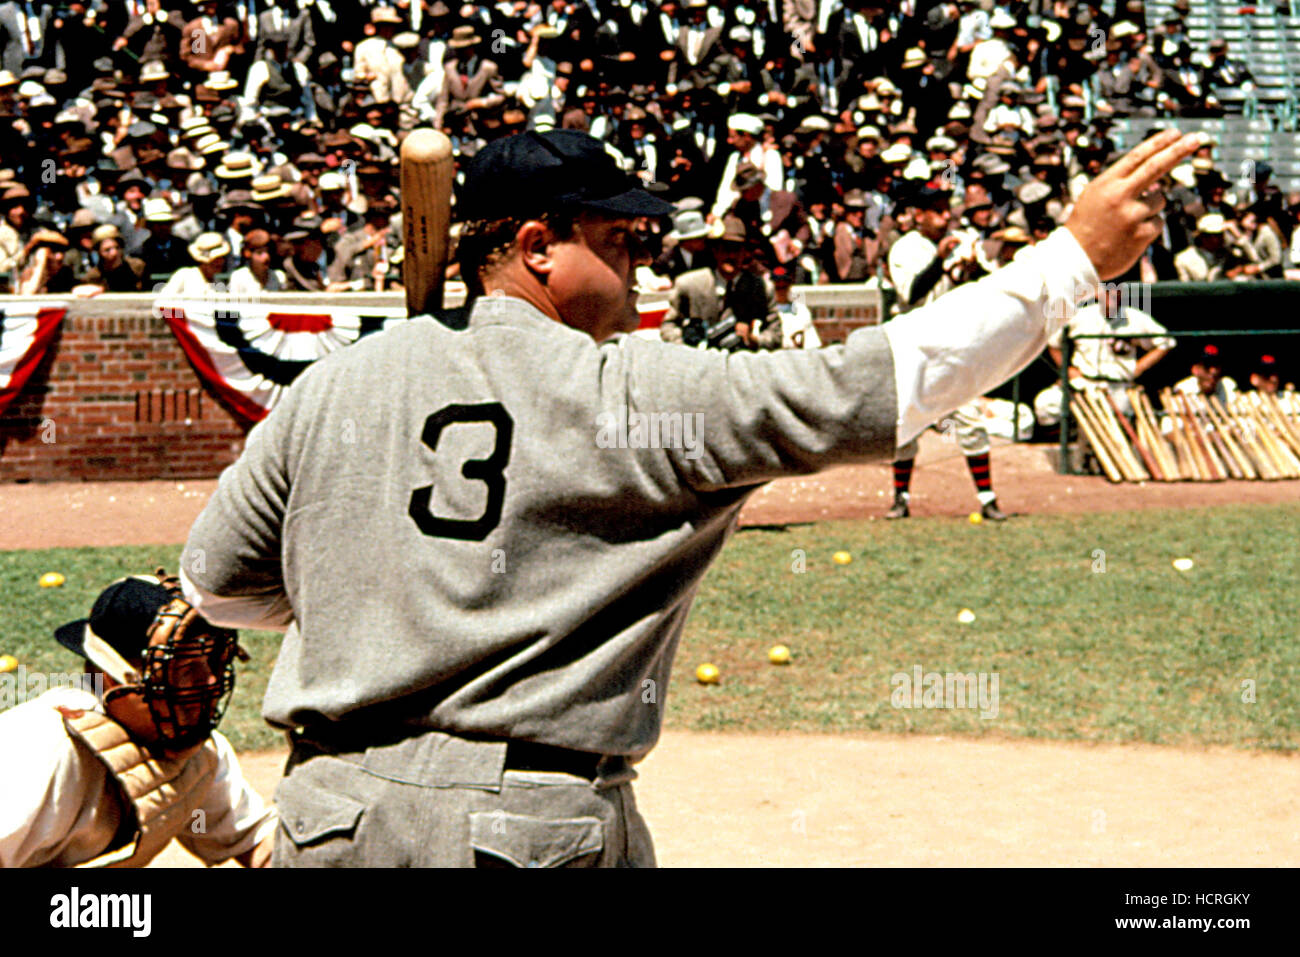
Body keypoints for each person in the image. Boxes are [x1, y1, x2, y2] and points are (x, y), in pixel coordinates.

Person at [179, 127, 1204, 868]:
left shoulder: (334, 387)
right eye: (614, 234)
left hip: (329, 818)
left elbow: (217, 583)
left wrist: (386, 584)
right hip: (524, 828)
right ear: (535, 245)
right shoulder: (637, 390)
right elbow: (870, 387)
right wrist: (1070, 261)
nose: (638, 252)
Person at [0, 571, 276, 868]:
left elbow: (254, 840)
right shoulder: (44, 751)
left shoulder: (198, 757)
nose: (208, 680)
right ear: (111, 678)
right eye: (184, 670)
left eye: (214, 660)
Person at [884, 186, 1007, 521]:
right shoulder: (905, 247)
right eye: (935, 211)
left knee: (970, 422)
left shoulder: (962, 240)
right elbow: (911, 293)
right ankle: (900, 499)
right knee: (904, 425)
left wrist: (970, 270)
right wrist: (940, 259)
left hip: (952, 348)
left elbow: (989, 285)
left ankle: (987, 498)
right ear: (918, 214)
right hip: (915, 349)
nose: (943, 217)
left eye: (945, 210)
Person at [1033, 283, 1175, 429]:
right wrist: (1067, 370)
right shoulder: (1081, 315)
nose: (1111, 295)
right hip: (1084, 383)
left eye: (1116, 291)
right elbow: (1054, 342)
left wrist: (1140, 366)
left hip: (1117, 386)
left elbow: (1166, 342)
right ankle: (1066, 437)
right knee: (1047, 402)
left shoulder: (1134, 317)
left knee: (1117, 426)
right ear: (1097, 293)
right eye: (1107, 291)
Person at [659, 214, 782, 350]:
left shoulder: (761, 289)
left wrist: (753, 339)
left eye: (737, 250)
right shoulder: (689, 285)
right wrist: (689, 347)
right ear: (715, 250)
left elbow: (775, 335)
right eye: (726, 249)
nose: (731, 256)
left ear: (745, 253)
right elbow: (668, 327)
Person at [1174, 343, 1238, 405]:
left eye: (1216, 366)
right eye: (1207, 366)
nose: (1213, 371)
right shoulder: (1184, 390)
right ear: (1195, 369)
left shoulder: (1228, 386)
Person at [229, 228, 286, 295]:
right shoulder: (239, 277)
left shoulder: (278, 277)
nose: (266, 257)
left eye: (268, 252)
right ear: (248, 253)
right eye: (259, 252)